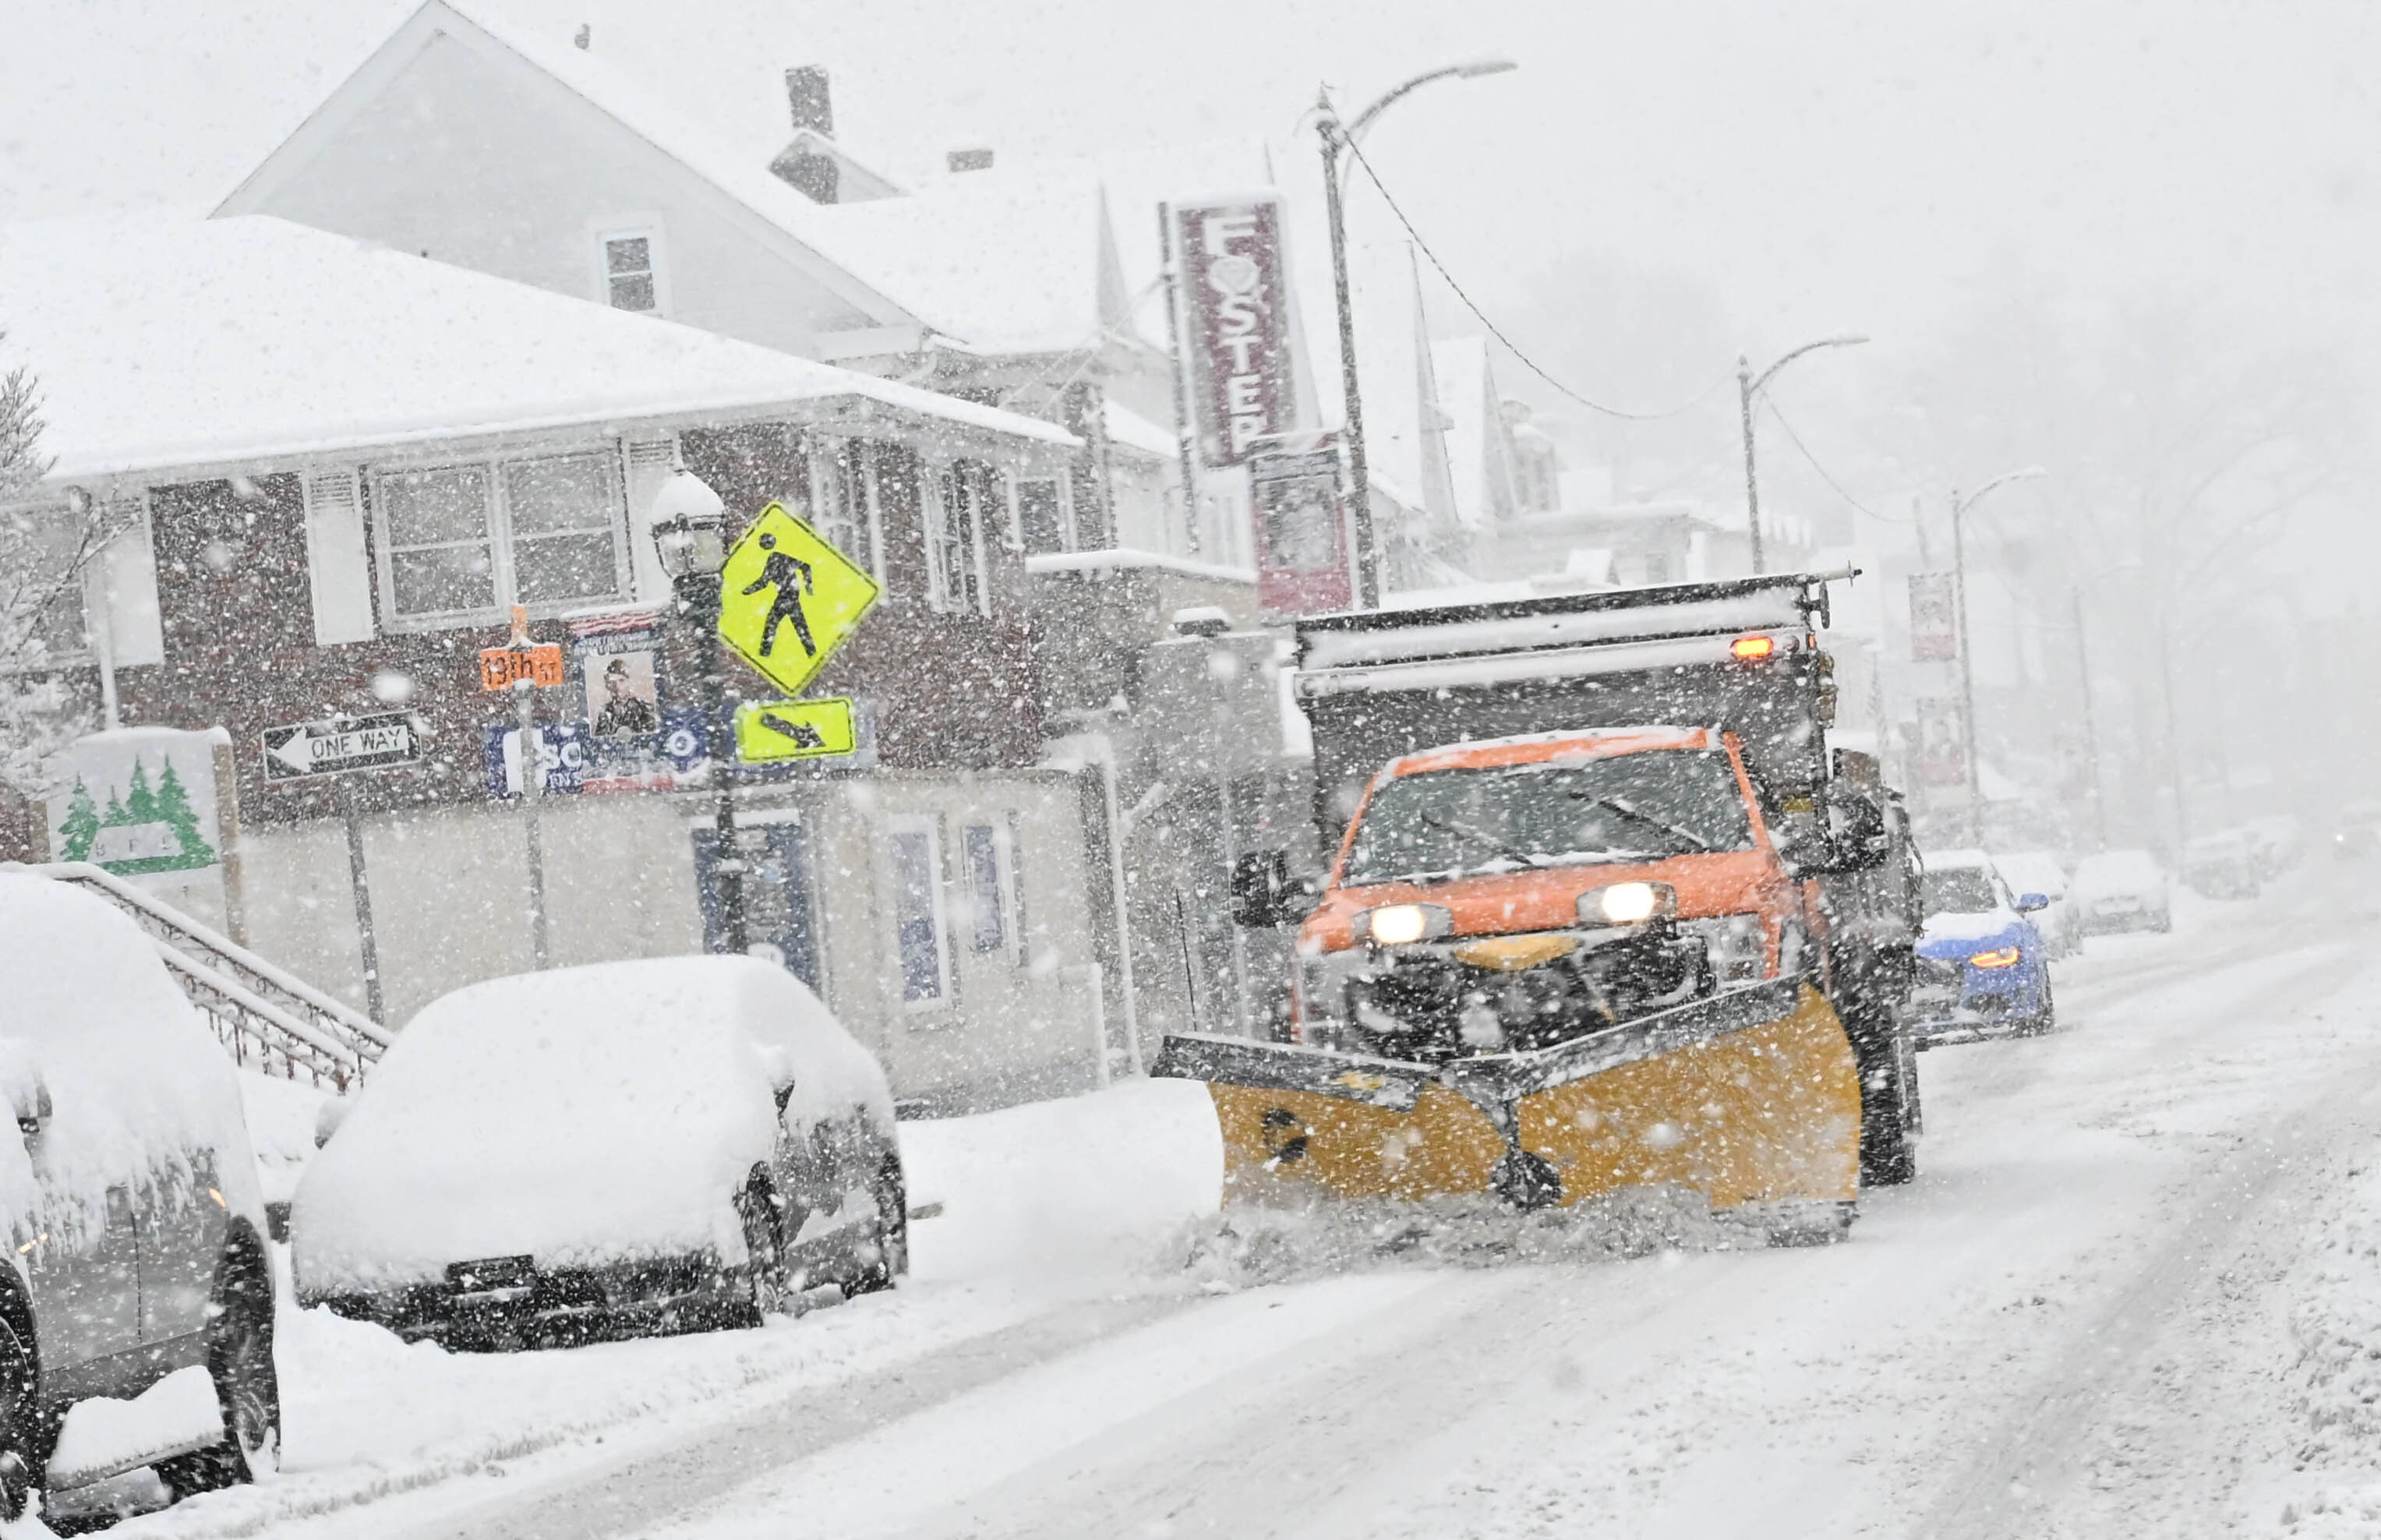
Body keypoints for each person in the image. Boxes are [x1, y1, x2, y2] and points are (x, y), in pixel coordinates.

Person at [744, 532, 817, 659]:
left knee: (774, 624)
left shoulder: (776, 558)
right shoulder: (776, 559)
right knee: (797, 627)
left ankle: (765, 654)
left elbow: (806, 567)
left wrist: (809, 588)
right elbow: (764, 582)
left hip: (788, 597)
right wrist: (747, 591)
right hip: (788, 597)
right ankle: (811, 652)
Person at [593, 658, 658, 737]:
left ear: (629, 682)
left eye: (621, 680)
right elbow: (599, 740)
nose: (617, 686)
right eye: (612, 682)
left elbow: (651, 739)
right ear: (607, 685)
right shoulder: (604, 711)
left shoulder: (644, 709)